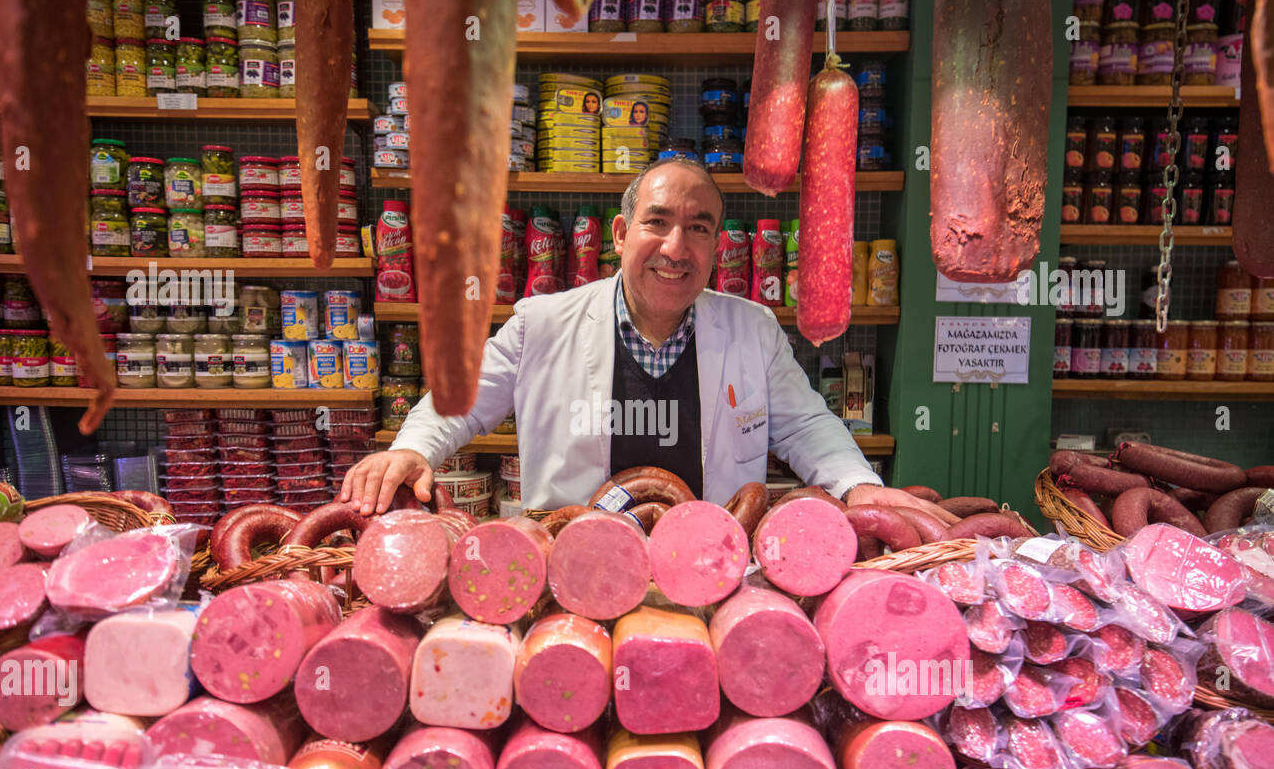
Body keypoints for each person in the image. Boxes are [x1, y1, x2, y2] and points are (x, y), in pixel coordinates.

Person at [341, 157, 954, 523]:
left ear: (716, 247)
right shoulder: (542, 321)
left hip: (709, 568)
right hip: (573, 562)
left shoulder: (753, 330)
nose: (675, 249)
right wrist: (413, 448)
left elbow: (807, 427)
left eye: (697, 230)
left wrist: (861, 485)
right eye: (656, 223)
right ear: (619, 232)